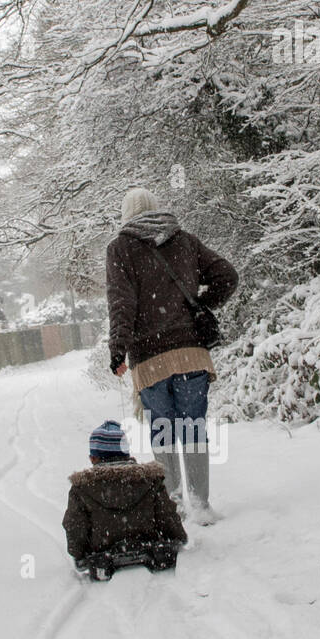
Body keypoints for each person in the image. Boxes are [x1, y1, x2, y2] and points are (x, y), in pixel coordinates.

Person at [105, 188, 238, 524]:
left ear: (126, 215)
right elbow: (227, 276)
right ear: (156, 209)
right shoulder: (184, 240)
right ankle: (201, 505)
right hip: (191, 352)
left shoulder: (121, 249)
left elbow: (122, 303)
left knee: (163, 429)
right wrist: (200, 305)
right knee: (193, 426)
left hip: (150, 359)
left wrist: (118, 349)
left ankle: (174, 505)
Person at [62, 420, 187, 580]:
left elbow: (74, 524)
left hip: (103, 550)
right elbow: (166, 513)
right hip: (148, 543)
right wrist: (177, 537)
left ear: (93, 458)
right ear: (127, 453)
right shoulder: (149, 479)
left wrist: (79, 554)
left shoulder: (82, 488)